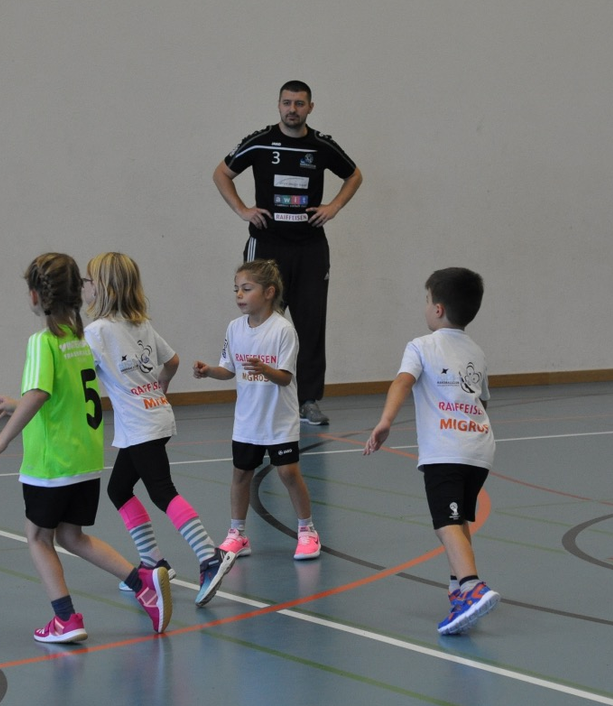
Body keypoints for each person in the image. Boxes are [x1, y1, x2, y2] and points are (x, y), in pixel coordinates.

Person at [0, 252, 172, 643]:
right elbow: (60, 394)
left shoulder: (43, 342)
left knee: (37, 538)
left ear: (35, 296)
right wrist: (18, 404)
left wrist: (3, 438)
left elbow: (38, 393)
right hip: (86, 459)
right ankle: (142, 581)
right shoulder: (83, 338)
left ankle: (66, 618)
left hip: (52, 462)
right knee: (71, 536)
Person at [83, 252, 236, 607]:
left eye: (88, 281)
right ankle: (154, 562)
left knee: (161, 490)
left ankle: (209, 556)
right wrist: (158, 389)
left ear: (103, 287)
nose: (84, 288)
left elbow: (80, 376)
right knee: (120, 489)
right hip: (156, 416)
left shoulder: (97, 332)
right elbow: (173, 361)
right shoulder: (139, 324)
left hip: (141, 425)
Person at [212, 80, 363, 426]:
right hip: (267, 246)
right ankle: (260, 391)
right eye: (286, 103)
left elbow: (354, 175)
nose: (292, 109)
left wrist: (335, 206)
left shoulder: (322, 145)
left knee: (310, 323)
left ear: (310, 107)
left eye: (299, 103)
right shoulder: (260, 142)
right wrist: (242, 210)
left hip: (310, 247)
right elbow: (222, 173)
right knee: (262, 321)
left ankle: (308, 399)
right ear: (278, 105)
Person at [363, 267, 500, 636]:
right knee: (460, 520)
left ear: (437, 309)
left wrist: (386, 421)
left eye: (426, 300)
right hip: (480, 450)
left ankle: (471, 586)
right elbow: (483, 401)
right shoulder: (477, 351)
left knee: (446, 524)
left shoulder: (421, 346)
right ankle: (458, 591)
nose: (424, 308)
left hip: (446, 450)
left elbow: (402, 382)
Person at [193, 259, 321, 561]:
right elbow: (229, 370)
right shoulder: (234, 328)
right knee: (241, 475)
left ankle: (307, 530)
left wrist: (265, 370)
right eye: (236, 289)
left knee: (288, 473)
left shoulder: (283, 330)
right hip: (247, 422)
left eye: (247, 289)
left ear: (268, 292)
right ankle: (237, 534)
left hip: (278, 420)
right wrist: (210, 370)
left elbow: (285, 377)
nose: (239, 295)